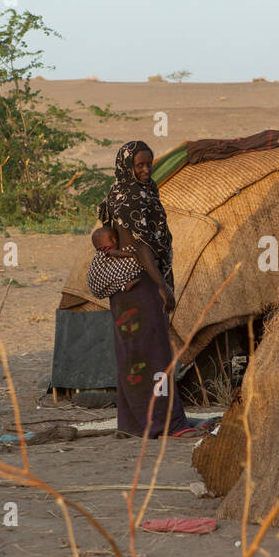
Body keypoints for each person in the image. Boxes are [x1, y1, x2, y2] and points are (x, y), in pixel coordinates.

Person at [98, 140, 203, 439]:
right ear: (127, 166)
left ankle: (133, 425)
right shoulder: (128, 196)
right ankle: (164, 424)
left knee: (135, 353)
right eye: (139, 165)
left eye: (149, 164)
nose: (145, 170)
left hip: (130, 285)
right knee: (153, 353)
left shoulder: (138, 190)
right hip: (140, 282)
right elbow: (141, 246)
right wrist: (163, 288)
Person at [87, 225, 143, 299]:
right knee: (130, 264)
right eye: (111, 239)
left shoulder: (107, 256)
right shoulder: (104, 251)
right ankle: (143, 264)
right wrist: (131, 254)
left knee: (118, 279)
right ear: (100, 246)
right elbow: (115, 253)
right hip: (96, 280)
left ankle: (124, 286)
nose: (115, 241)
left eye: (115, 238)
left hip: (100, 292)